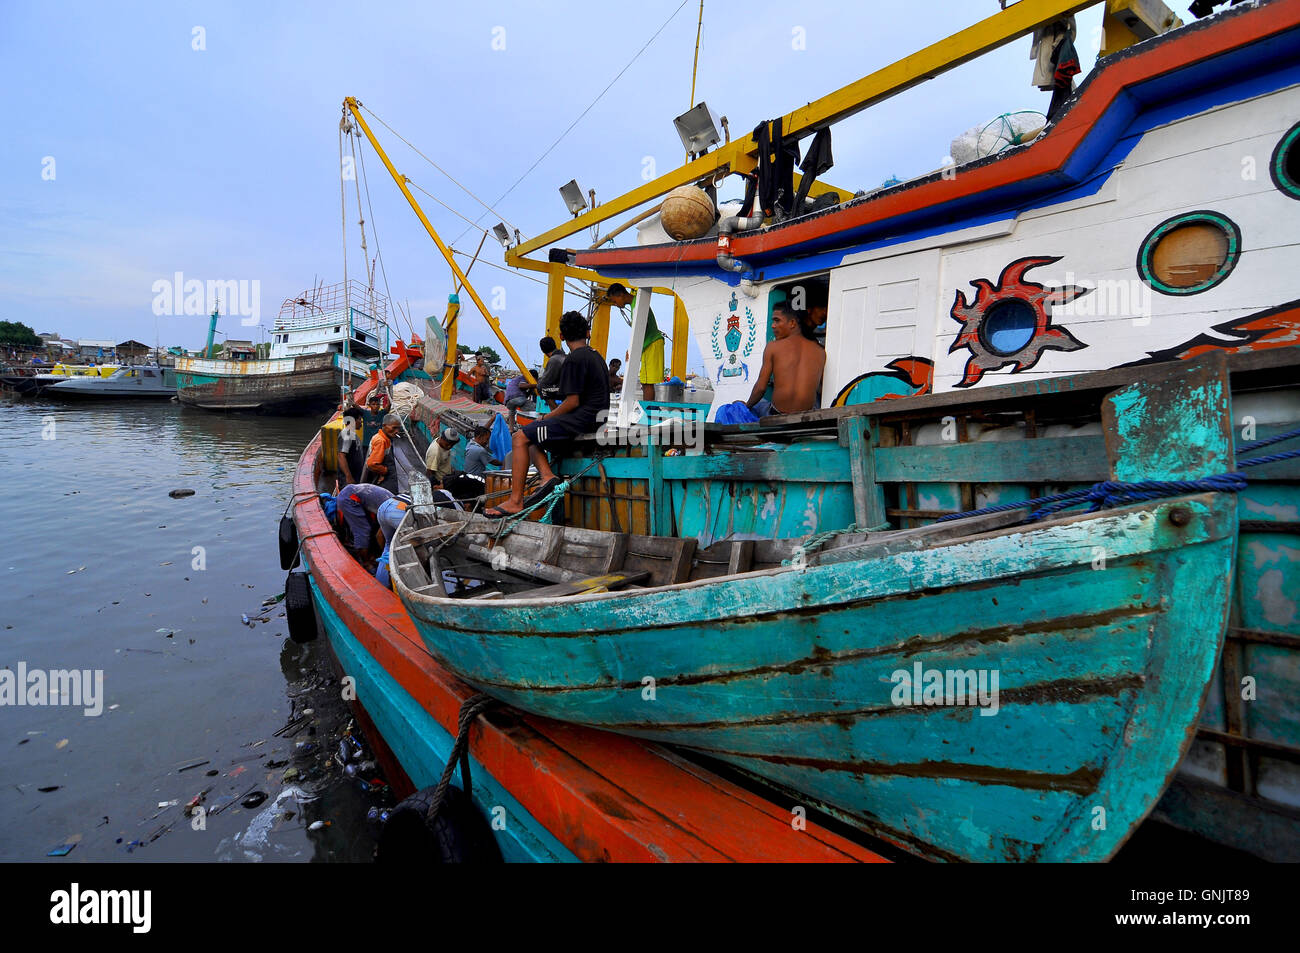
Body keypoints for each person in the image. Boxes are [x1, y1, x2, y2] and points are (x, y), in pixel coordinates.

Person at [485, 311, 607, 518]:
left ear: (561, 337)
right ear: (587, 332)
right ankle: (547, 476)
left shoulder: (574, 359)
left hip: (582, 421)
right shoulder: (596, 357)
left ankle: (515, 501)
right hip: (597, 419)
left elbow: (572, 401)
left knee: (519, 437)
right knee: (532, 434)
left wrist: (546, 417)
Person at [744, 302, 825, 415]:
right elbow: (821, 389)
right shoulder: (820, 351)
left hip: (777, 414)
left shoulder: (773, 346)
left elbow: (761, 388)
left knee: (744, 405)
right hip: (806, 417)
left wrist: (746, 406)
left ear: (792, 323)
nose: (773, 325)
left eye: (777, 320)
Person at [606, 283, 663, 401]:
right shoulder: (636, 301)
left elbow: (643, 327)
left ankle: (649, 412)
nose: (615, 304)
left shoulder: (636, 305)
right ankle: (650, 410)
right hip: (651, 343)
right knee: (646, 382)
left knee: (646, 383)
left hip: (650, 344)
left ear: (621, 295)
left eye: (614, 301)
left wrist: (633, 349)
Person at [336, 483, 394, 560]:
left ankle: (367, 554)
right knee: (362, 531)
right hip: (348, 498)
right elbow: (374, 535)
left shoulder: (393, 508)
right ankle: (365, 561)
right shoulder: (392, 513)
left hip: (351, 492)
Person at [361, 413, 402, 491]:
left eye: (398, 428)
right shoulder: (381, 441)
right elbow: (372, 464)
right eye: (394, 428)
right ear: (384, 426)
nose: (397, 431)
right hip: (383, 481)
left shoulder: (385, 438)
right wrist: (384, 471)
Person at [536, 336, 566, 409]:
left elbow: (546, 381)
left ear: (543, 350)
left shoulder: (554, 360)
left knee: (542, 387)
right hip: (571, 387)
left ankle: (556, 413)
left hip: (566, 389)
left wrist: (538, 380)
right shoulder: (564, 356)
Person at [337, 408, 364, 485]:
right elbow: (341, 456)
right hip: (349, 480)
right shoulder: (347, 434)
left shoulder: (353, 434)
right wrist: (348, 476)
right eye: (359, 419)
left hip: (355, 477)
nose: (361, 422)